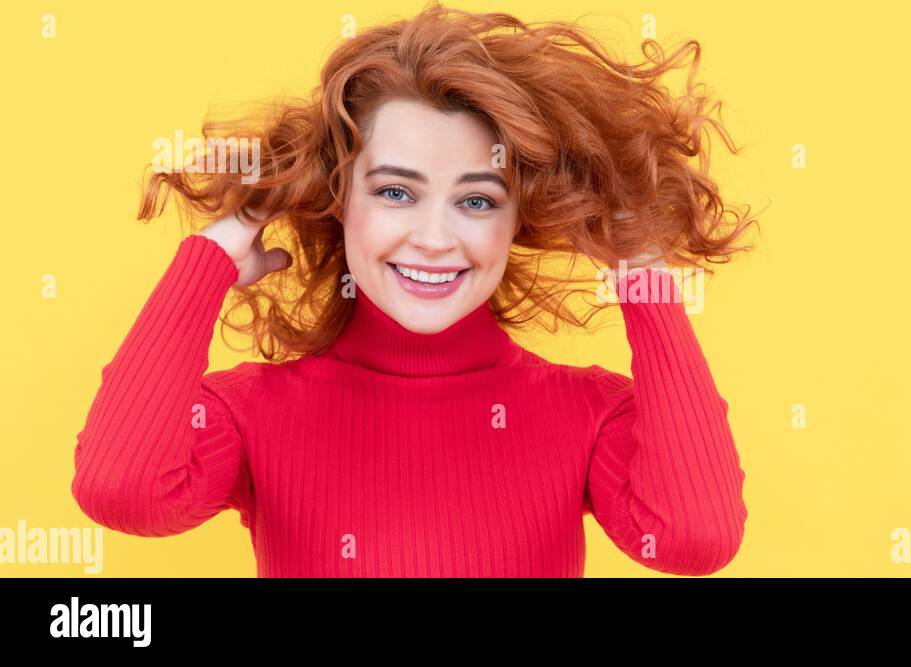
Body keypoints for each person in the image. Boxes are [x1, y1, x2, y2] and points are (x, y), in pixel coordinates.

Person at [72, 2, 756, 577]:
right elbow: (121, 489)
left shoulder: (585, 414)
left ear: (518, 217)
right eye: (396, 191)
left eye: (478, 200)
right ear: (340, 198)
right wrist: (215, 252)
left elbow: (695, 537)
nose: (434, 237)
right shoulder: (258, 411)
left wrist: (640, 264)